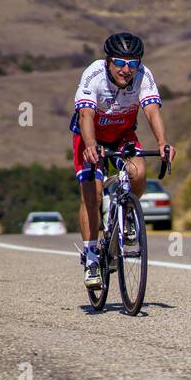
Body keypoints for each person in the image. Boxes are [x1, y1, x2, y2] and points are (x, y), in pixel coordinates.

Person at [70, 31, 175, 287]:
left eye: (132, 63)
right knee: (92, 194)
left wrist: (162, 143)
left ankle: (127, 213)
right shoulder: (93, 75)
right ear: (108, 61)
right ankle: (92, 255)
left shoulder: (143, 76)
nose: (126, 69)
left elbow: (151, 111)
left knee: (138, 172)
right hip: (90, 135)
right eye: (120, 62)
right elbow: (85, 116)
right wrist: (92, 146)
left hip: (122, 135)